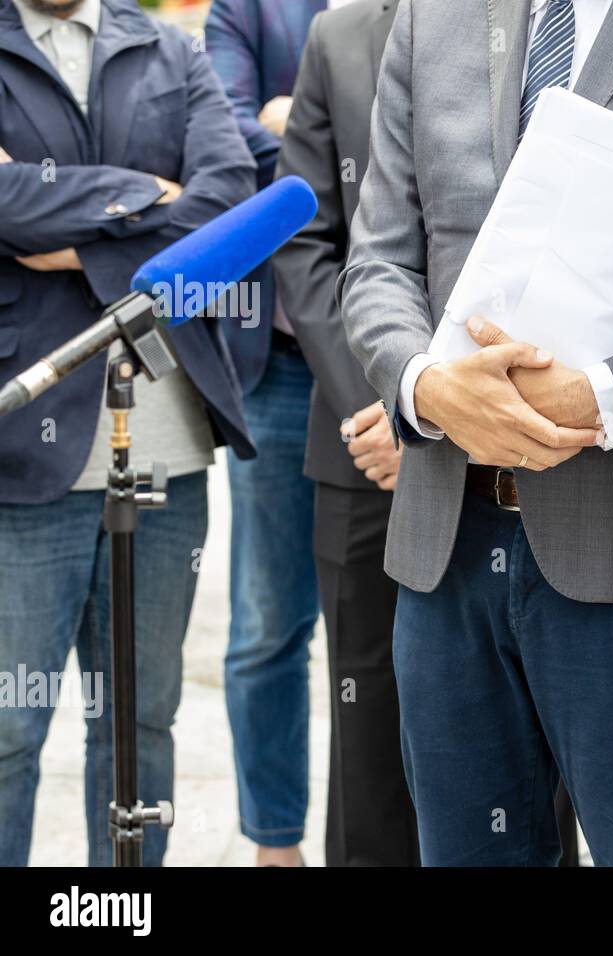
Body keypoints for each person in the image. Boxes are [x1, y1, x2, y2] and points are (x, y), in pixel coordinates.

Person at [339, 0, 613, 865]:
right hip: (447, 554)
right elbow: (380, 259)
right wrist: (425, 385)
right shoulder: (432, 20)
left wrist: (605, 395)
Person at [0, 0, 255, 866]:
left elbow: (229, 204)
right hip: (22, 451)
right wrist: (150, 197)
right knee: (7, 730)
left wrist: (65, 238)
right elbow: (4, 206)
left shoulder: (172, 51)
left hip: (168, 450)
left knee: (142, 724)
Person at [272, 0, 419, 866]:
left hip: (518, 454)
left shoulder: (540, 26)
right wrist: (387, 403)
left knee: (525, 726)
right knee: (367, 723)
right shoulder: (338, 37)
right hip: (361, 447)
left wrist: (443, 415)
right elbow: (305, 243)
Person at [203, 0, 329, 868]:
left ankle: (395, 838)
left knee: (419, 627)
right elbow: (225, 141)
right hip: (280, 367)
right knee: (266, 628)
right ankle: (274, 848)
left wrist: (293, 116)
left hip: (416, 368)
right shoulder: (242, 9)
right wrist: (336, 128)